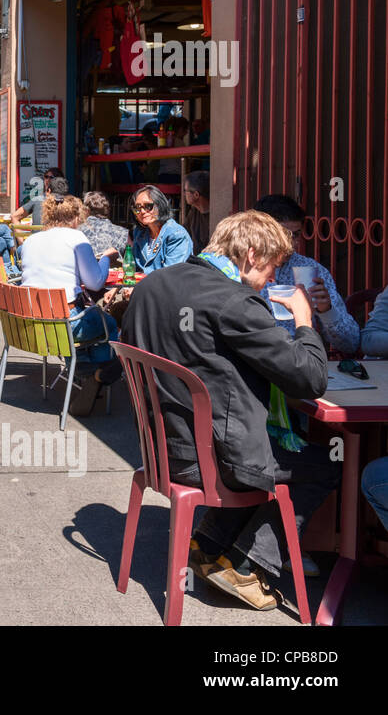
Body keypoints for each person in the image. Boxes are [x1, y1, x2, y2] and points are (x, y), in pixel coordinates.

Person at [122, 211, 338, 611]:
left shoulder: (153, 284)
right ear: (252, 255)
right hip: (211, 462)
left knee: (258, 443)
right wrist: (305, 320)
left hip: (162, 452)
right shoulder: (234, 300)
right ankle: (246, 564)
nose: (273, 279)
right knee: (322, 464)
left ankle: (207, 545)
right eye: (272, 268)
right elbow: (309, 379)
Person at [18, 195, 120, 415]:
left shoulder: (31, 241)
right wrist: (105, 260)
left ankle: (85, 372)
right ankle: (98, 376)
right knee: (109, 323)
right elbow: (94, 282)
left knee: (85, 319)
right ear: (76, 216)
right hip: (66, 325)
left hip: (30, 325)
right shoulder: (76, 237)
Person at [253, 194, 360, 354]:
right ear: (260, 232)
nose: (290, 243)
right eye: (282, 234)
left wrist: (326, 310)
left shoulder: (311, 270)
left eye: (295, 235)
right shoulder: (239, 269)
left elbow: (350, 343)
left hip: (301, 366)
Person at [129, 185, 193, 272]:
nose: (142, 211)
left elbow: (171, 273)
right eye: (137, 208)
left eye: (148, 206)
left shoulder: (176, 234)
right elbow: (134, 268)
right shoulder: (139, 232)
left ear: (160, 206)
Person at [79, 191, 129, 257]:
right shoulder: (123, 232)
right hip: (112, 266)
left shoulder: (77, 231)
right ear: (108, 210)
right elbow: (132, 259)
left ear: (86, 210)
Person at [182, 170, 211, 252]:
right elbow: (182, 233)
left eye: (185, 191)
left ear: (196, 195)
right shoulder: (194, 211)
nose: (184, 194)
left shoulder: (215, 215)